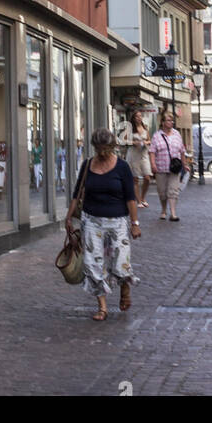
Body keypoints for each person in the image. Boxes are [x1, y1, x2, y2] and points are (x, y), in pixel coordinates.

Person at [66, 128, 140, 321]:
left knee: (121, 262)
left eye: (105, 148)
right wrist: (68, 218)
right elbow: (77, 193)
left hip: (117, 221)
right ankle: (103, 307)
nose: (102, 152)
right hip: (91, 220)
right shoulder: (88, 165)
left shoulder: (122, 166)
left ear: (112, 146)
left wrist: (135, 223)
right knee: (92, 263)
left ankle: (125, 289)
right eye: (98, 148)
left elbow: (131, 198)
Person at [150, 109, 189, 221]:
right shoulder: (157, 136)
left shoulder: (177, 134)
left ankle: (173, 213)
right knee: (162, 192)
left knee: (173, 190)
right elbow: (152, 151)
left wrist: (184, 164)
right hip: (160, 167)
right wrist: (153, 164)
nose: (171, 122)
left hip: (174, 168)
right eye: (168, 120)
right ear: (163, 122)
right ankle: (163, 210)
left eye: (172, 120)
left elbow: (182, 150)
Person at [126, 109, 152, 208]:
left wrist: (146, 142)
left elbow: (149, 140)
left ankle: (143, 197)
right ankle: (139, 201)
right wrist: (134, 143)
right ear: (133, 118)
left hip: (144, 154)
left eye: (140, 116)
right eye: (137, 116)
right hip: (134, 155)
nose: (139, 118)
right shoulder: (130, 129)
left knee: (147, 177)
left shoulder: (145, 128)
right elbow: (125, 141)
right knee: (135, 178)